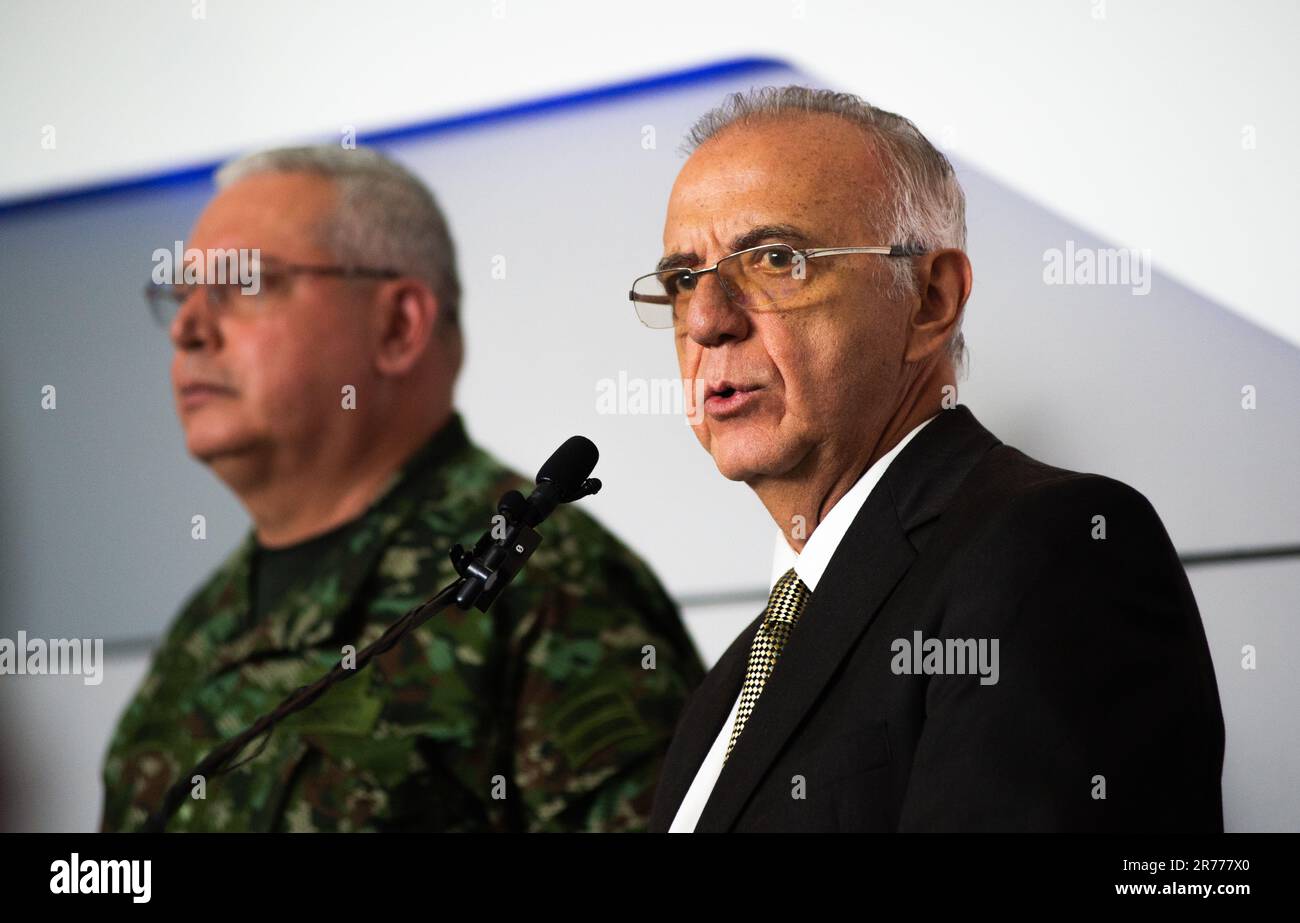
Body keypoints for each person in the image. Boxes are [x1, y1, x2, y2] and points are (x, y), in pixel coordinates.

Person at [635, 86, 1224, 832]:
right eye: (684, 280)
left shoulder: (1057, 553)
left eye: (775, 259)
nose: (709, 321)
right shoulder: (734, 680)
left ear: (930, 300)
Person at [103, 145, 704, 832]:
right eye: (181, 295)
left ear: (398, 325)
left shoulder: (548, 585)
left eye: (243, 285)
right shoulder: (203, 620)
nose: (186, 329)